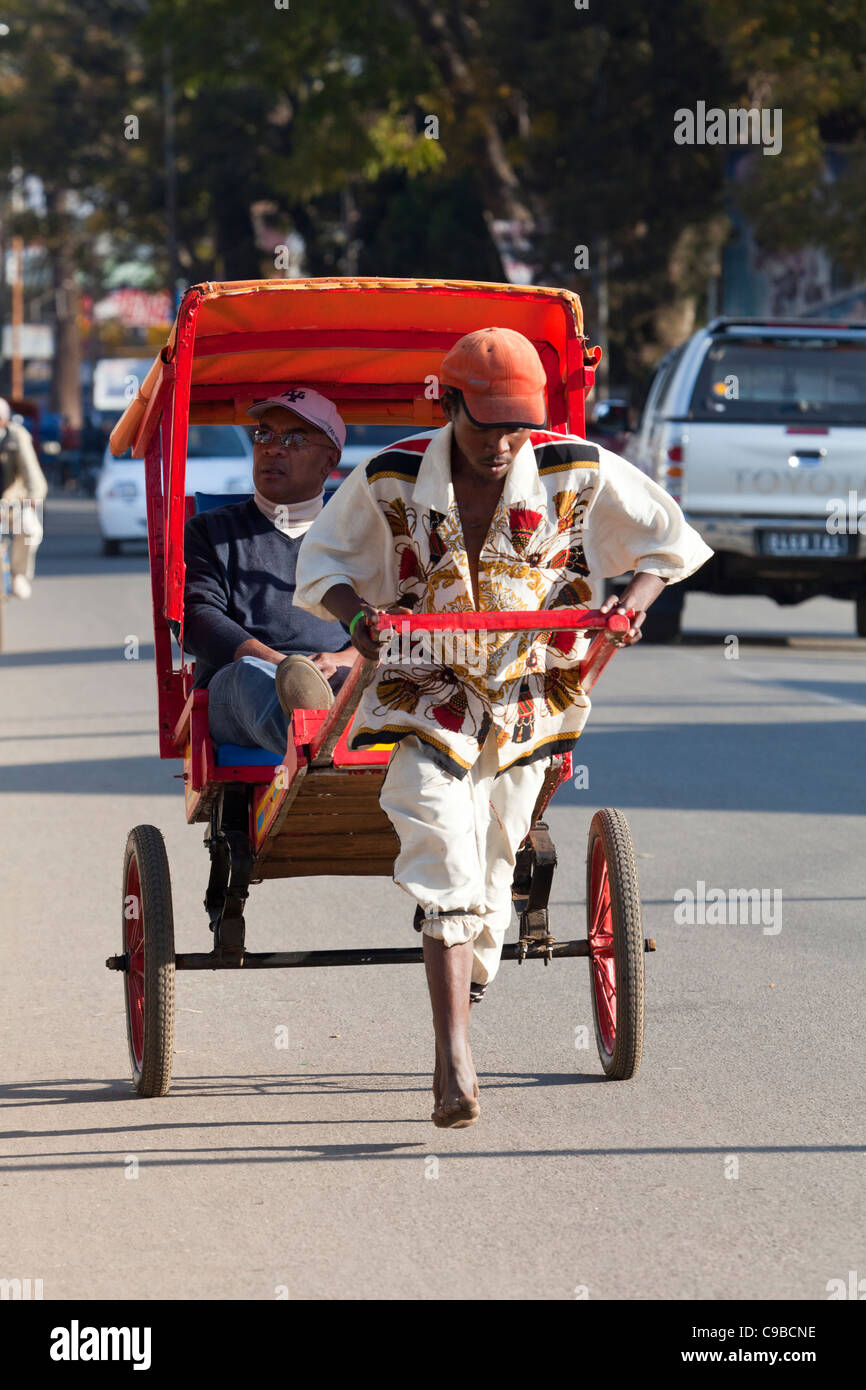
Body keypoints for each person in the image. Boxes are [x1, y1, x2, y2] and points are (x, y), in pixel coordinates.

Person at [294, 327, 713, 1128]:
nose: (504, 443)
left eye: (518, 425)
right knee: (436, 832)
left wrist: (633, 604)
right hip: (429, 686)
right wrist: (360, 621)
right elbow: (324, 562)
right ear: (448, 404)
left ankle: (471, 976)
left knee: (492, 861)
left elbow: (669, 542)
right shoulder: (390, 476)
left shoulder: (577, 468)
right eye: (488, 424)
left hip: (531, 692)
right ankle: (453, 1057)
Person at [182, 389, 358, 754]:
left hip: (338, 674)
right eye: (264, 435)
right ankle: (316, 753)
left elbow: (391, 620)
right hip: (243, 680)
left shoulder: (359, 535)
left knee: (394, 672)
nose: (273, 449)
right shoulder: (209, 531)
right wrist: (280, 663)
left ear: (329, 461)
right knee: (254, 680)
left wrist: (345, 660)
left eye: (293, 440)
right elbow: (196, 617)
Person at [0, 398, 48, 599]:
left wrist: (33, 498)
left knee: (29, 528)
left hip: (13, 504)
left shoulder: (17, 437)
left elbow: (33, 474)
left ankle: (19, 574)